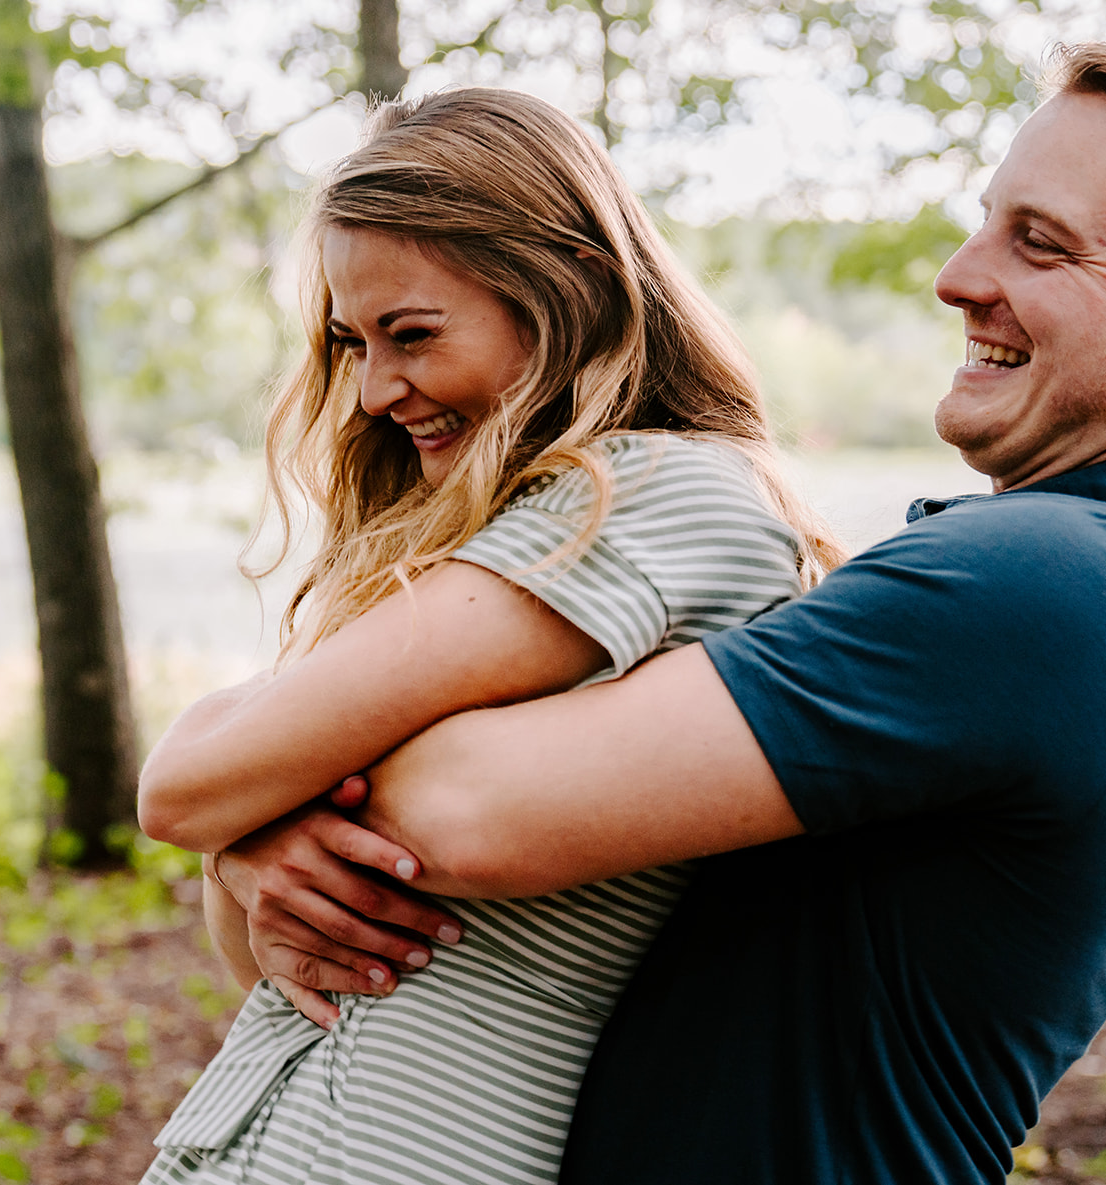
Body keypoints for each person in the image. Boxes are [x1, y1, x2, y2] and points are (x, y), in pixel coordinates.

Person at [205, 41, 1106, 1184]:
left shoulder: (1046, 582)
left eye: (1040, 244)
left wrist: (264, 788)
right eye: (985, 221)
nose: (958, 275)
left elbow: (454, 810)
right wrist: (255, 835)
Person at [135, 87, 844, 1185]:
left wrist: (242, 798)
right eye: (352, 343)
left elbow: (179, 788)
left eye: (412, 334)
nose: (374, 391)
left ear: (571, 291)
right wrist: (246, 856)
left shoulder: (656, 497)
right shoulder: (524, 528)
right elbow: (271, 966)